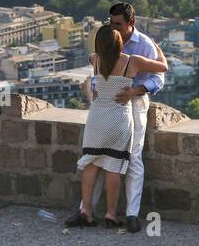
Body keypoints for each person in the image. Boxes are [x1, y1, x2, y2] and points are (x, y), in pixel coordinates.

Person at [65, 25, 168, 229]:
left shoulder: (95, 59)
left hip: (96, 119)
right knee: (114, 167)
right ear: (120, 42)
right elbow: (162, 67)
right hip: (119, 119)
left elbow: (92, 64)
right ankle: (111, 215)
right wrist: (157, 48)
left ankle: (86, 210)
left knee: (90, 164)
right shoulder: (132, 62)